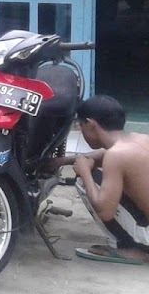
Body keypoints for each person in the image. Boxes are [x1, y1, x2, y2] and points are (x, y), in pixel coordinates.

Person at [59, 95, 149, 265]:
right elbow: (104, 154)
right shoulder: (140, 139)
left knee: (87, 179)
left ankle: (128, 249)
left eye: (81, 125)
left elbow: (105, 211)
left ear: (91, 125)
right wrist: (63, 161)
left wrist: (84, 173)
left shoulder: (115, 156)